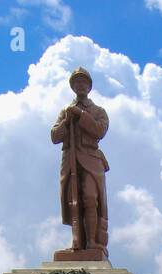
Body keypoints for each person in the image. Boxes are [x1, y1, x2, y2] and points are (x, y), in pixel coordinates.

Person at [51, 67, 109, 258]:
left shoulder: (98, 111)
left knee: (90, 198)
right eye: (77, 82)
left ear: (89, 86)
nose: (80, 85)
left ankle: (92, 242)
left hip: (91, 160)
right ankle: (77, 244)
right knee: (73, 202)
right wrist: (67, 120)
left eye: (84, 82)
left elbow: (99, 130)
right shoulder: (65, 112)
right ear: (73, 87)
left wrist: (81, 115)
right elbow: (54, 136)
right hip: (70, 160)